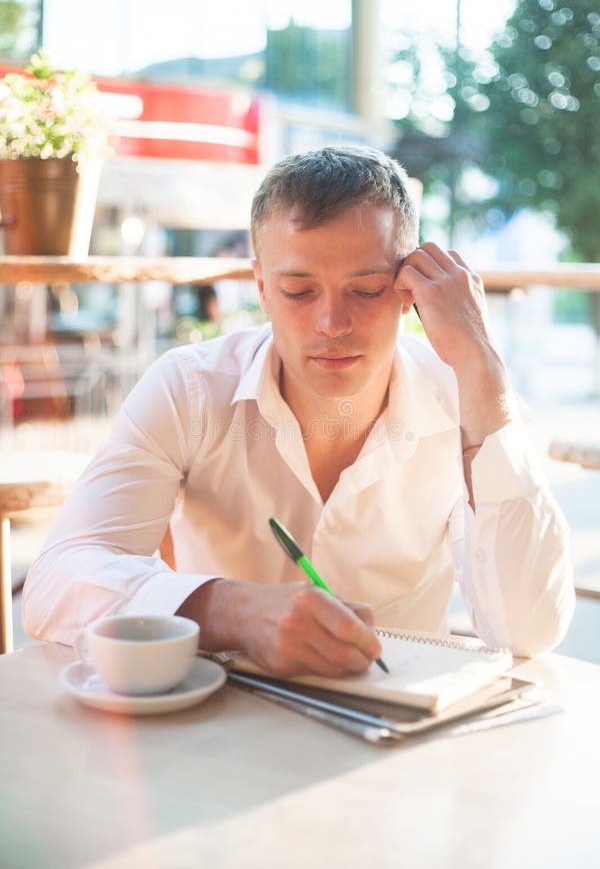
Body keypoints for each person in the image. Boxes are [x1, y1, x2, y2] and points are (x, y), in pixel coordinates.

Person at [23, 146, 574, 677]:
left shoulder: (465, 397)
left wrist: (482, 366)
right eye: (297, 291)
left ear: (409, 290)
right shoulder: (189, 388)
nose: (332, 323)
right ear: (261, 288)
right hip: (219, 722)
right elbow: (54, 585)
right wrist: (232, 611)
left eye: (366, 290)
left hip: (399, 729)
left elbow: (529, 629)